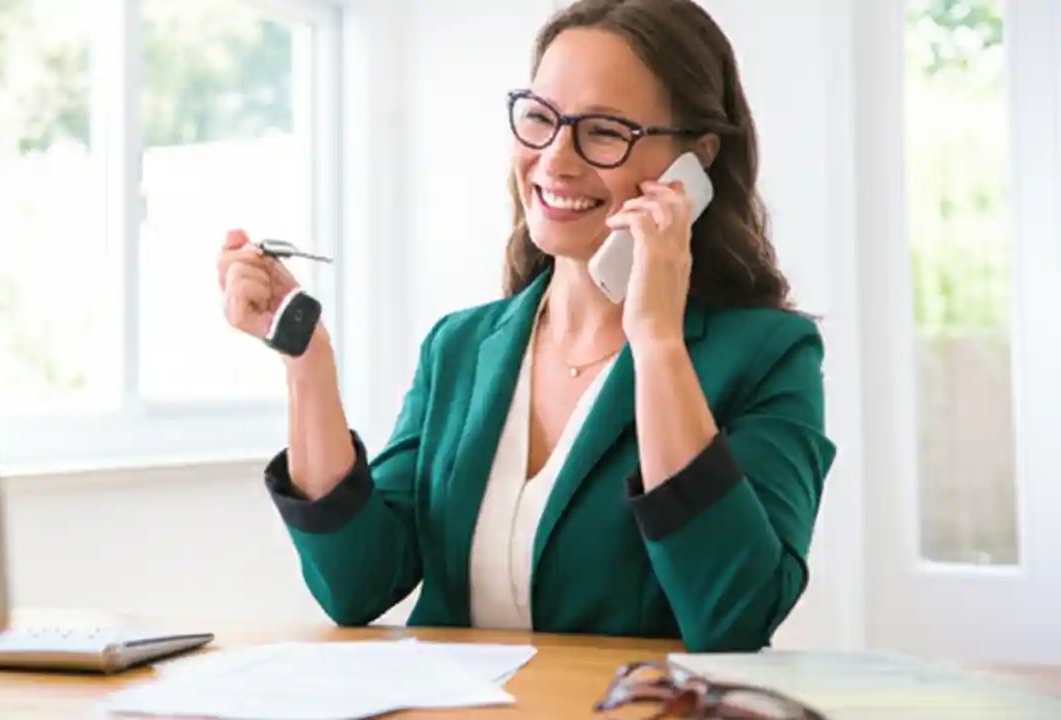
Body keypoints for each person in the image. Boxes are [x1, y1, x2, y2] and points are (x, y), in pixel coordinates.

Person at [216, 0, 835, 652]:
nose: (556, 160)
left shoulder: (767, 356)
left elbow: (734, 617)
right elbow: (357, 585)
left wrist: (657, 342)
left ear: (694, 162)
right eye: (540, 119)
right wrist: (305, 362)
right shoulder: (460, 346)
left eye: (603, 131)